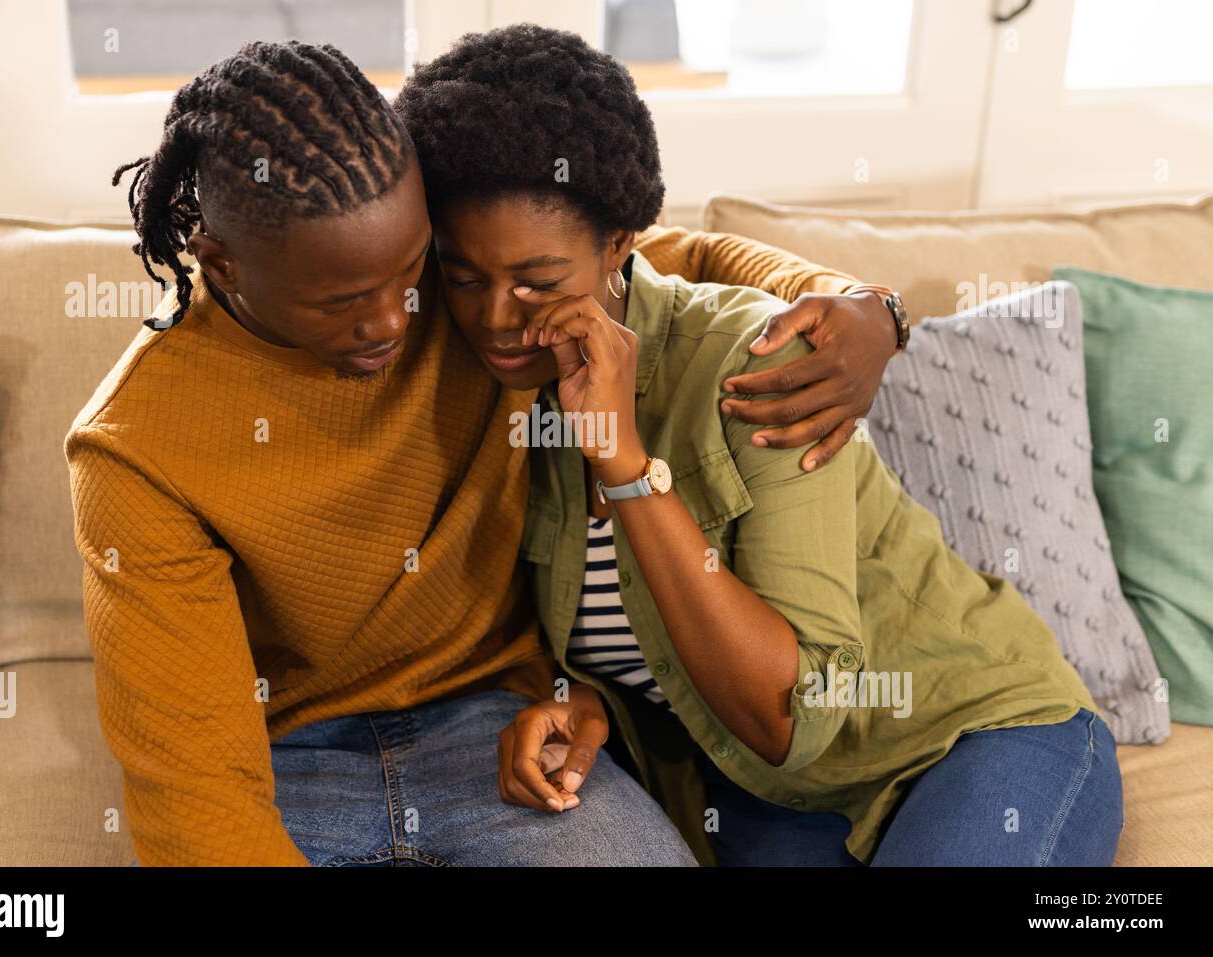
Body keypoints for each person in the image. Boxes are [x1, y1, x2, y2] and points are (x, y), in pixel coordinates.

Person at [67, 39, 903, 865]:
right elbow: (199, 800)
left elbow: (668, 264)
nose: (395, 322)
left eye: (410, 273)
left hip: (500, 728)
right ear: (222, 262)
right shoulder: (134, 448)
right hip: (286, 760)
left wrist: (862, 307)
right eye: (347, 302)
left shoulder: (473, 287)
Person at [394, 24, 1124, 866]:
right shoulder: (497, 387)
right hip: (762, 796)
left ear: (620, 247)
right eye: (462, 276)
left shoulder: (757, 367)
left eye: (538, 282)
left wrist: (626, 465)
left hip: (971, 736)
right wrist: (579, 702)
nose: (493, 316)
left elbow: (794, 715)